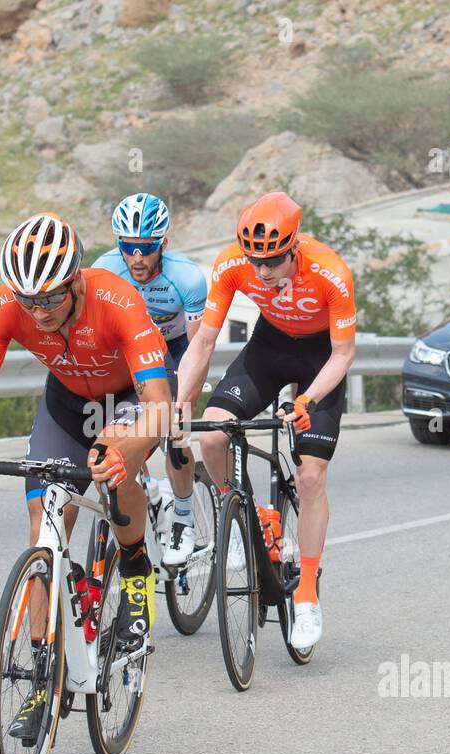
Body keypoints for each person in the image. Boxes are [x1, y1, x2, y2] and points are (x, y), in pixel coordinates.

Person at [0, 214, 173, 739]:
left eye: (49, 298)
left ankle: (135, 570)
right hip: (67, 405)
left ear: (75, 282)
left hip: (131, 401)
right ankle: (42, 676)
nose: (38, 311)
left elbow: (160, 407)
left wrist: (124, 450)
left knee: (115, 468)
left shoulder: (116, 299)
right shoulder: (6, 306)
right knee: (43, 522)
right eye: (28, 301)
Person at [175, 192, 357, 652]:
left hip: (320, 360)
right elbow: (204, 342)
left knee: (310, 476)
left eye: (273, 261)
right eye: (255, 261)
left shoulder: (331, 272)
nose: (262, 272)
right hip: (269, 349)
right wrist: (179, 404)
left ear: (293, 248)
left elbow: (342, 354)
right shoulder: (230, 265)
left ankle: (307, 594)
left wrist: (307, 399)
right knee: (212, 434)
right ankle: (238, 521)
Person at [93, 193, 207, 566]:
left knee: (174, 432)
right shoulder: (105, 271)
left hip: (174, 350)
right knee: (118, 424)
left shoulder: (186, 277)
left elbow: (197, 348)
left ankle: (184, 517)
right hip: (129, 351)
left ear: (163, 244)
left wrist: (183, 401)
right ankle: (149, 488)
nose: (137, 257)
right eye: (129, 247)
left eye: (146, 247)